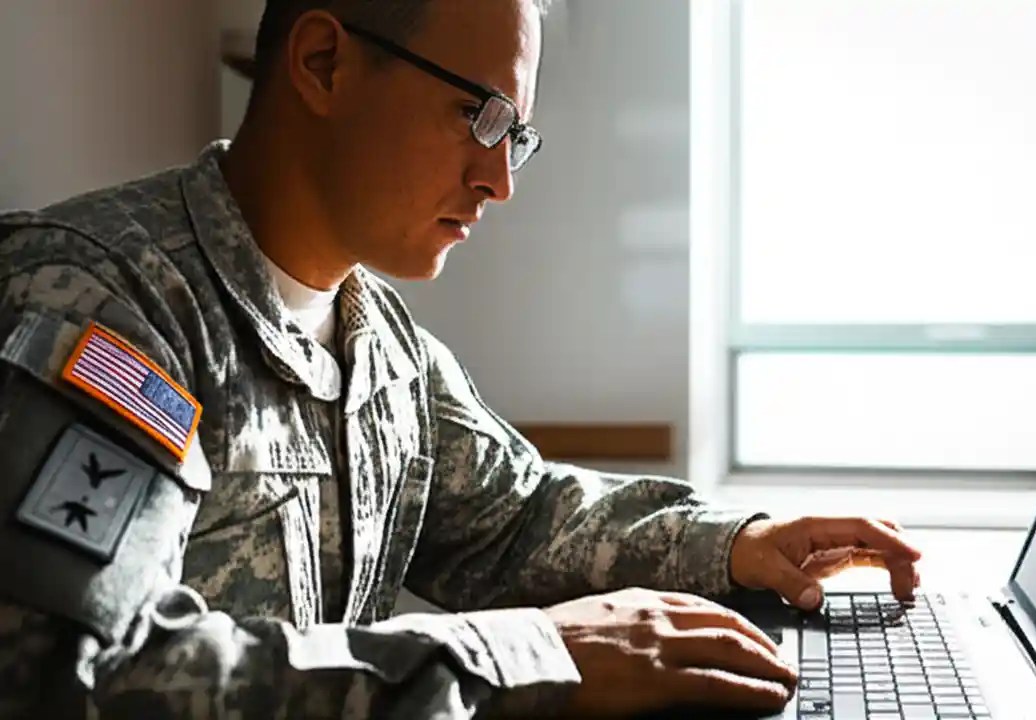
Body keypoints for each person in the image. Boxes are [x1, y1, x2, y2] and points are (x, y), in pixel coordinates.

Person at [0, 0, 921, 717]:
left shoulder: (382, 343)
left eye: (515, 135)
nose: (500, 180)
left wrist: (739, 544)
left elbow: (516, 519)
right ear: (323, 63)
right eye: (480, 117)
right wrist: (522, 657)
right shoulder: (108, 303)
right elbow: (75, 674)